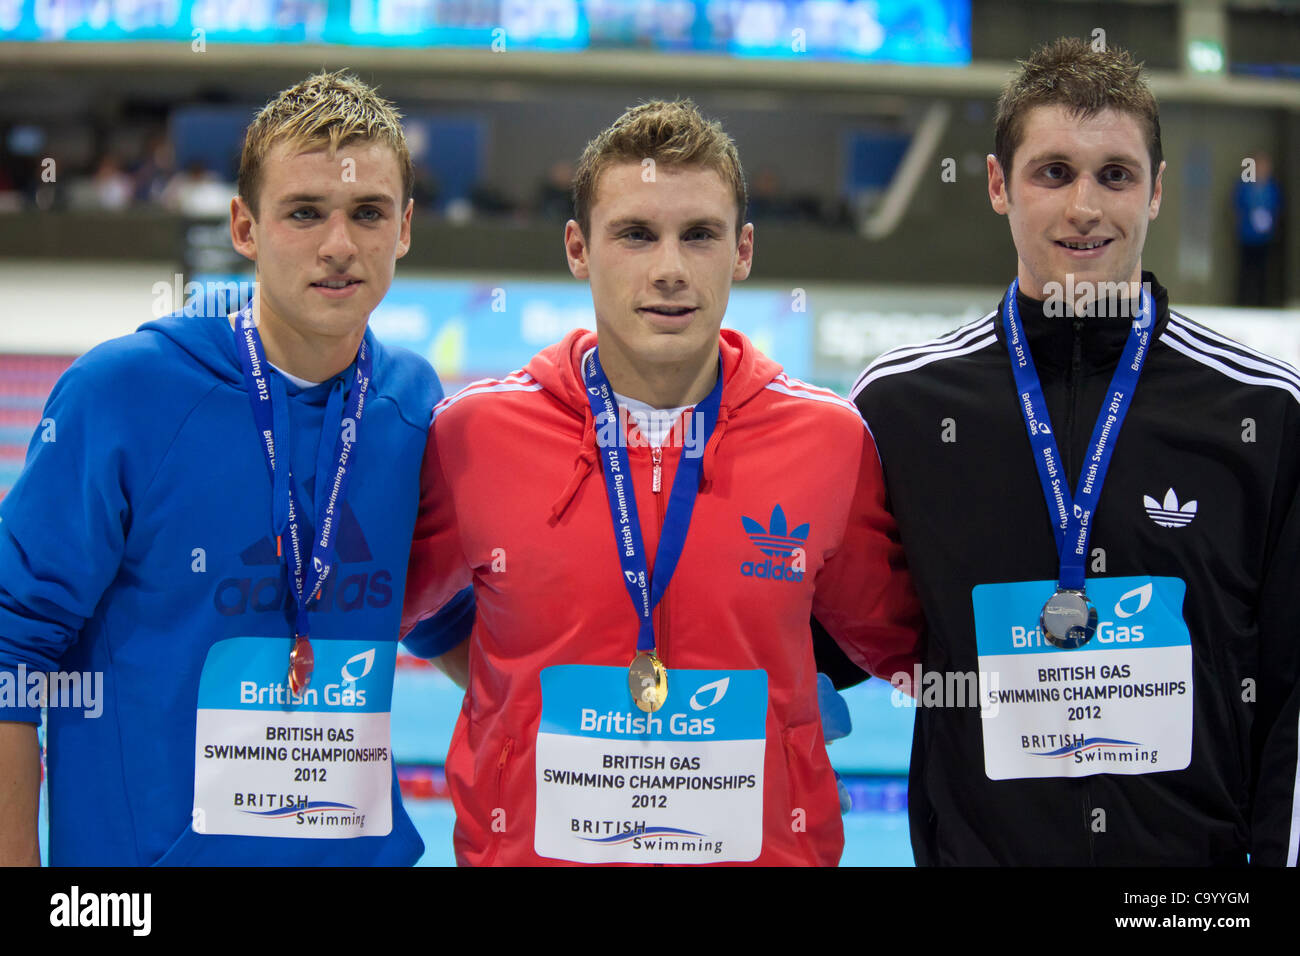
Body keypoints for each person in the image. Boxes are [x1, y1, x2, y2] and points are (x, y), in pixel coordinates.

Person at [402, 99, 920, 866]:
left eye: (699, 235)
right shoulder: (475, 436)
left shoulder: (828, 442)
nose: (670, 268)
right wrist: (494, 694)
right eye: (637, 234)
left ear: (742, 250)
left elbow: (909, 642)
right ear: (579, 248)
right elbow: (374, 598)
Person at [0, 70, 472, 866]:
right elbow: (11, 646)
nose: (338, 245)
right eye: (304, 214)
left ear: (405, 228)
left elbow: (439, 616)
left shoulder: (411, 406)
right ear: (244, 228)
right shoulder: (126, 395)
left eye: (367, 214)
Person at [848, 37, 1300, 865]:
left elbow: (1286, 697)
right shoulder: (901, 409)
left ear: (1157, 192)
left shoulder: (1263, 413)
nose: (1084, 206)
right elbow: (814, 634)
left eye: (1115, 175)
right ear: (998, 186)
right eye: (1053, 172)